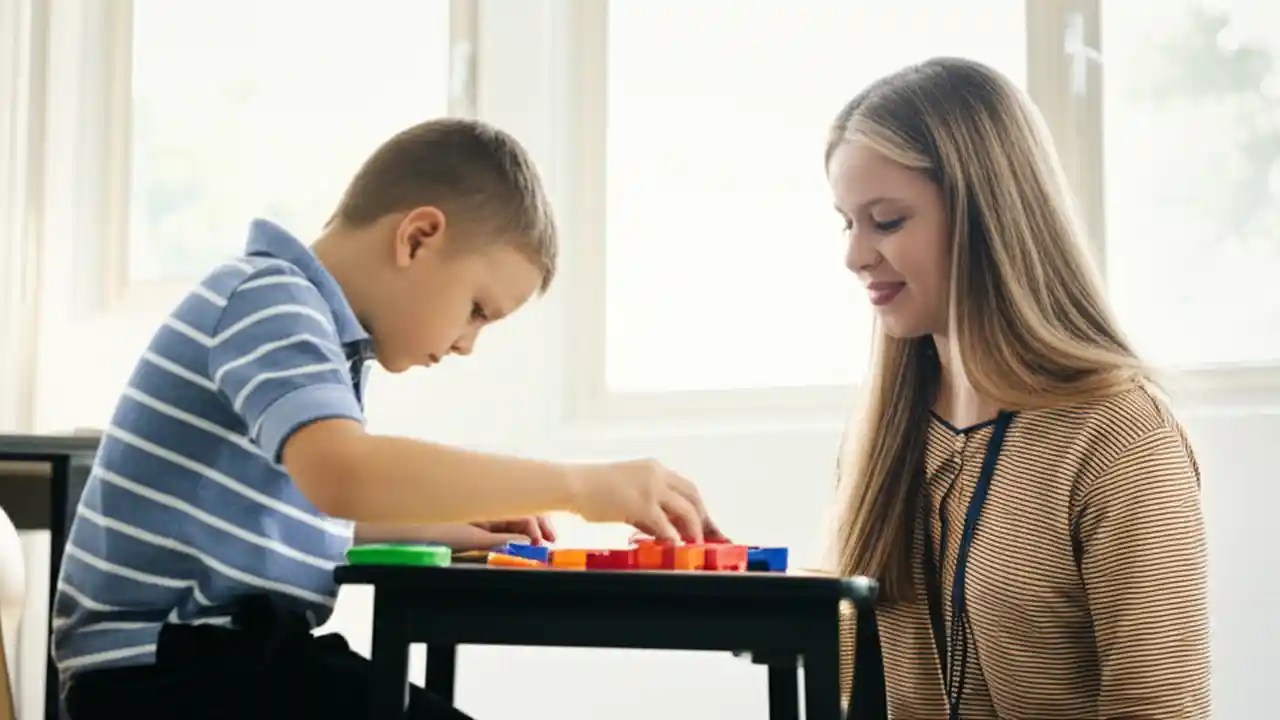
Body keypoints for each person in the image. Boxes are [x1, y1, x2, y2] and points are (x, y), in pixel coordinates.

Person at [52, 118, 724, 720]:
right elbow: (344, 474)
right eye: (477, 309)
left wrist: (447, 525)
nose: (467, 342)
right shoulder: (270, 301)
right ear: (419, 237)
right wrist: (576, 484)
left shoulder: (315, 335)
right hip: (161, 673)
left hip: (217, 662)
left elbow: (306, 508)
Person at [825, 58, 1210, 719]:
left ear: (986, 216)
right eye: (846, 221)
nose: (855, 255)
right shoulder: (885, 435)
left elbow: (1156, 706)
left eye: (886, 221)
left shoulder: (1121, 439)